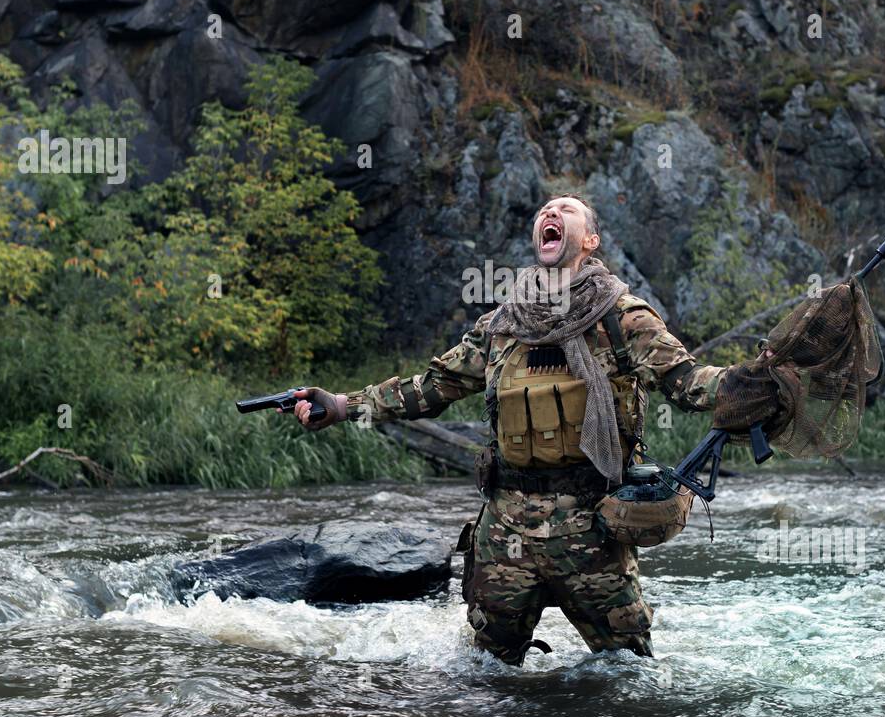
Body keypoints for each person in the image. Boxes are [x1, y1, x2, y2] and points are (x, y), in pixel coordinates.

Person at [291, 195, 748, 665]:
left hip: (592, 528)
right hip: (505, 531)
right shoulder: (501, 326)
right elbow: (431, 388)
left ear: (590, 241)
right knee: (487, 674)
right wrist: (344, 405)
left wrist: (750, 385)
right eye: (544, 211)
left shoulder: (623, 318)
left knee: (628, 674)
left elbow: (687, 382)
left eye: (566, 211)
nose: (551, 215)